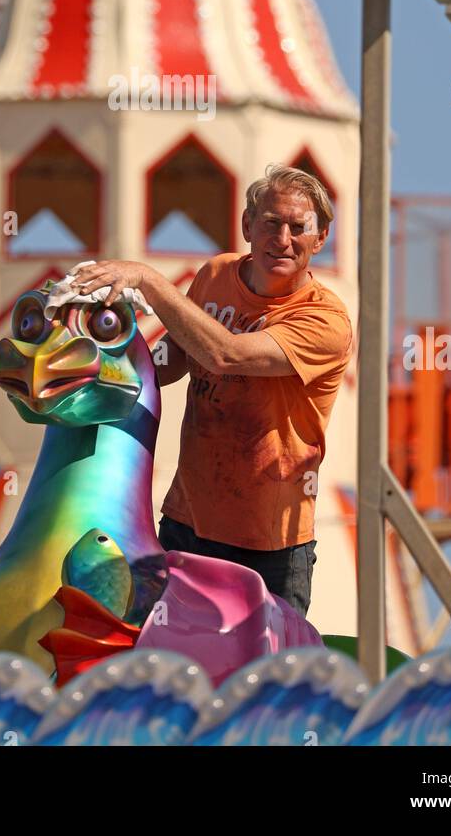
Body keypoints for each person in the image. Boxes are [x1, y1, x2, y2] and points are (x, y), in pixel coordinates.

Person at [74, 162, 353, 616]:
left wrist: (147, 280)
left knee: (261, 679)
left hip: (270, 546)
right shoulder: (217, 275)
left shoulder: (326, 320)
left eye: (298, 228)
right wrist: (101, 364)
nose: (282, 239)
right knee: (165, 665)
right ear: (247, 225)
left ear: (320, 240)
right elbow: (171, 361)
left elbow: (227, 354)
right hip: (187, 524)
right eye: (270, 223)